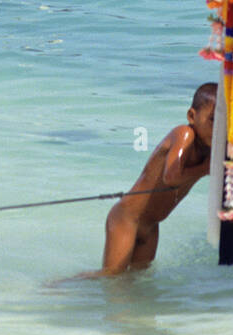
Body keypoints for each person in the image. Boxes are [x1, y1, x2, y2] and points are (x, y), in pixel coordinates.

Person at [85, 82, 216, 277]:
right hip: (128, 218)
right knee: (111, 277)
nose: (219, 129)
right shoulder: (184, 134)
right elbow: (171, 177)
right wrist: (206, 169)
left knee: (139, 279)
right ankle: (59, 288)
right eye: (213, 120)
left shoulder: (210, 150)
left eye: (226, 123)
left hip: (152, 225)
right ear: (192, 116)